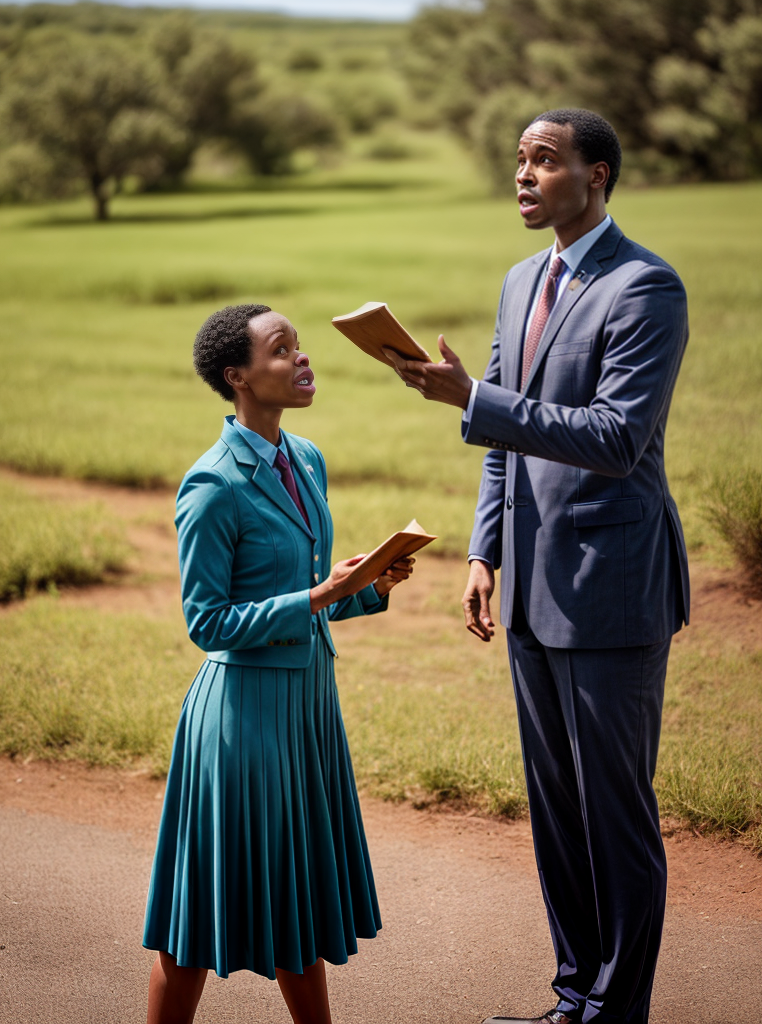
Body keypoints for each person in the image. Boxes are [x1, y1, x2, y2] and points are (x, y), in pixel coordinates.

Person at [385, 108, 690, 1024]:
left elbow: (616, 437)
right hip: (528, 586)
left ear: (597, 176)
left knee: (615, 817)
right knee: (557, 814)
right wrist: (485, 547)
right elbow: (502, 441)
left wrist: (474, 399)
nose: (523, 174)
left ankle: (615, 1012)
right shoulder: (523, 281)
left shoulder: (646, 287)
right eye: (518, 159)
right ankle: (572, 1001)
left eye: (545, 160)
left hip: (612, 587)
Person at [143, 303, 414, 1024]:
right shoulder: (211, 486)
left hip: (308, 710)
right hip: (243, 720)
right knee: (199, 917)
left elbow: (309, 596)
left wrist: (367, 588)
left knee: (298, 898)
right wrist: (320, 592)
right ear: (237, 377)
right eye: (280, 349)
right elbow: (208, 623)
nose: (302, 359)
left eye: (299, 346)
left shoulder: (307, 458)